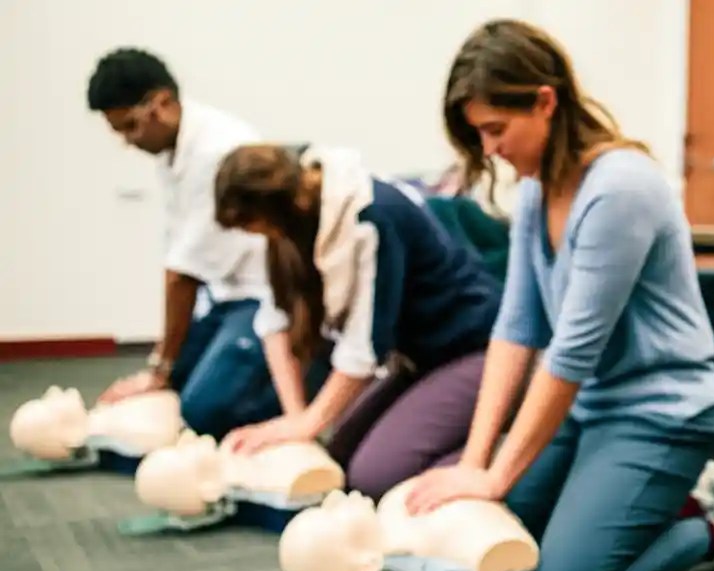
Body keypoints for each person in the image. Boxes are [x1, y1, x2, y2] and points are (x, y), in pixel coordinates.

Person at [401, 18, 714, 571]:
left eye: (495, 129)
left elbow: (570, 354)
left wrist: (495, 474)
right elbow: (515, 328)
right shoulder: (536, 190)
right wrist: (476, 464)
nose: (489, 150)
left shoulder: (620, 188)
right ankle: (645, 500)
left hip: (661, 413)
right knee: (505, 541)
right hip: (590, 408)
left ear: (544, 101)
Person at [212, 144, 500, 500]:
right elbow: (276, 321)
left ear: (282, 210)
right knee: (338, 457)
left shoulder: (371, 216)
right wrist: (296, 417)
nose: (261, 238)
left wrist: (307, 423)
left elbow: (363, 347)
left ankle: (495, 450)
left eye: (260, 228)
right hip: (417, 357)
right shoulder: (293, 220)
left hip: (474, 349)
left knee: (372, 477)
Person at [87, 48, 289, 439]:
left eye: (131, 127)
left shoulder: (216, 150)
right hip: (227, 296)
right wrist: (165, 368)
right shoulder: (174, 148)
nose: (129, 142)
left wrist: (161, 368)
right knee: (179, 384)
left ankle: (302, 391)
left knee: (202, 409)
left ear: (161, 104)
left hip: (264, 298)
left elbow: (182, 275)